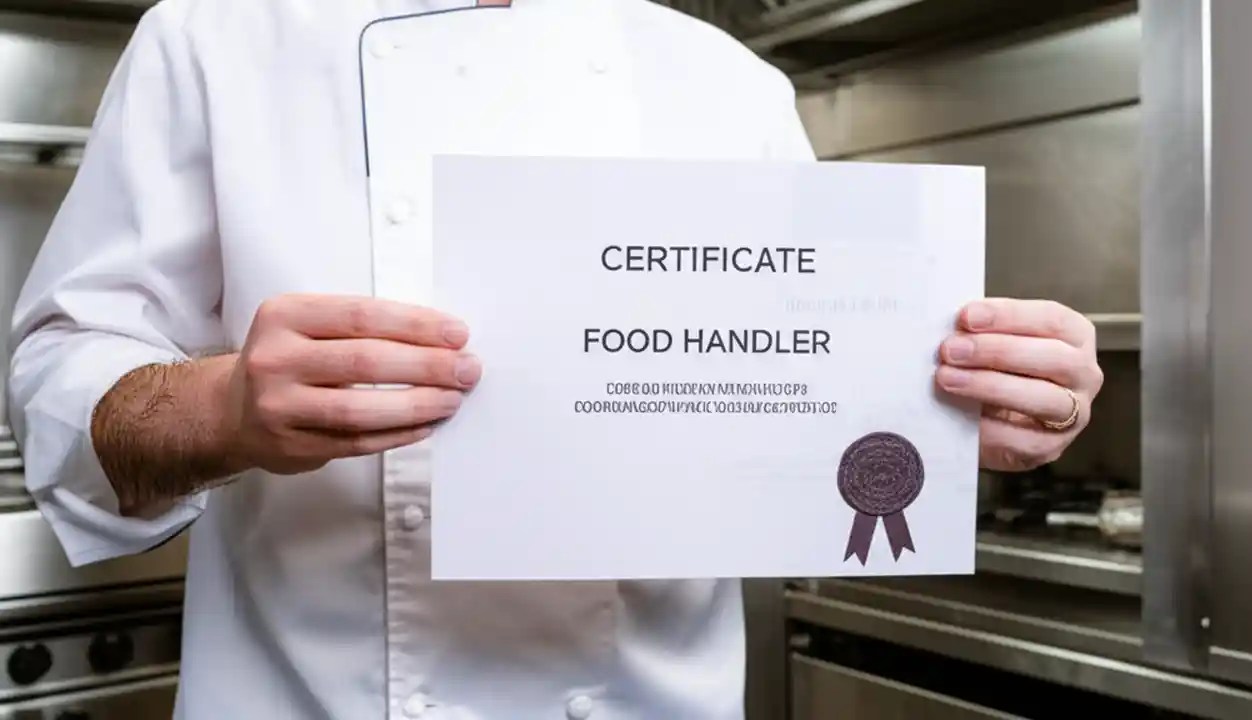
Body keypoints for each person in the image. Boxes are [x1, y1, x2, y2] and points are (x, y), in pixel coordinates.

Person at [7, 1, 1104, 718]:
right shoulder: (216, 38)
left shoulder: (727, 84)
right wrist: (220, 408)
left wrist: (965, 402)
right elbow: (60, 375)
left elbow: (801, 399)